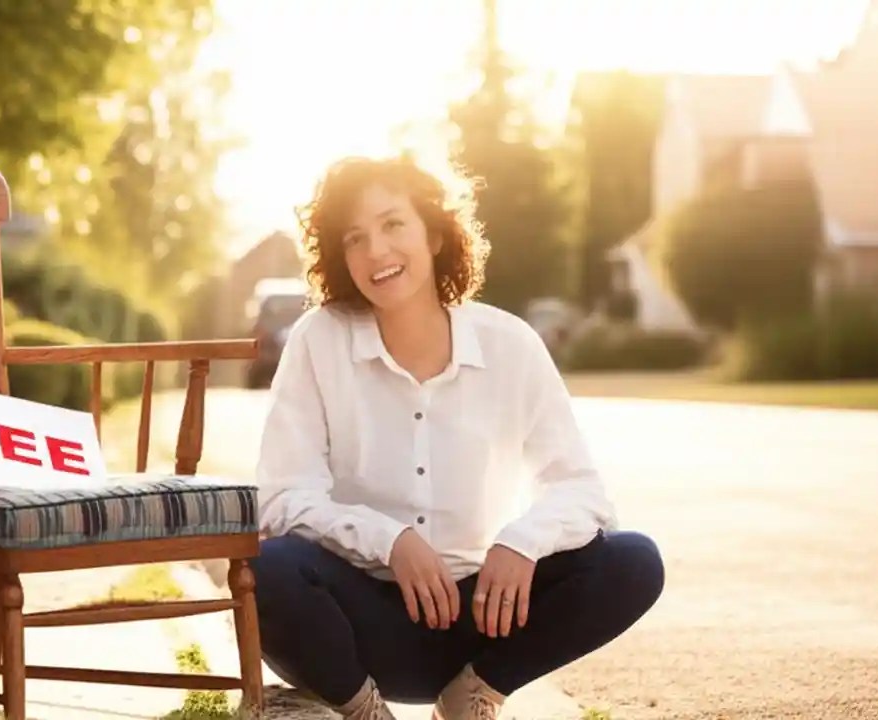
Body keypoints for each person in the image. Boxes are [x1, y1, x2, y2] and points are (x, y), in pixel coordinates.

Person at [249, 154, 665, 720]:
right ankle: (364, 711)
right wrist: (389, 541)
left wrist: (522, 542)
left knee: (633, 560)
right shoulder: (318, 341)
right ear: (340, 256)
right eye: (355, 238)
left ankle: (472, 697)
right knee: (268, 569)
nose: (377, 252)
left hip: (483, 622)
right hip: (357, 624)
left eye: (394, 224)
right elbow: (280, 499)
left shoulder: (509, 344)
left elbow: (584, 493)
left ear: (435, 233)